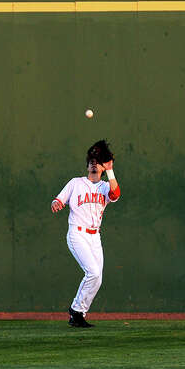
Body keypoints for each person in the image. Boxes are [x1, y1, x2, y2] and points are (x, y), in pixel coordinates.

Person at [50, 139, 121, 328]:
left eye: (97, 161)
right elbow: (58, 200)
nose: (93, 163)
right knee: (93, 272)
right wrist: (56, 203)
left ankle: (79, 313)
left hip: (95, 237)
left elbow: (115, 194)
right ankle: (75, 310)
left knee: (97, 278)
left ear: (103, 167)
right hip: (77, 234)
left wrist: (111, 169)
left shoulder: (106, 186)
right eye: (91, 160)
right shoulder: (76, 183)